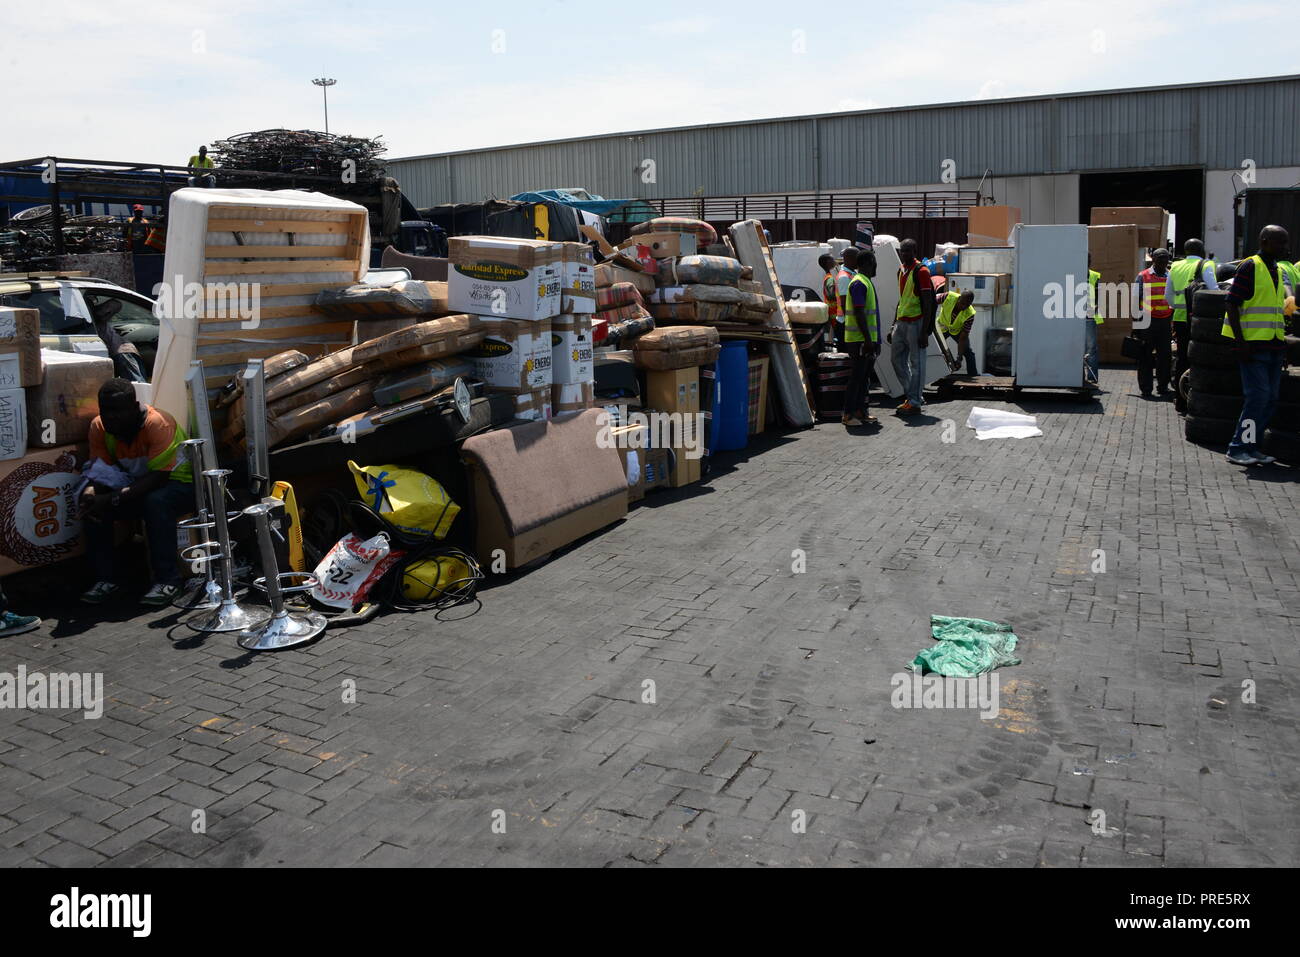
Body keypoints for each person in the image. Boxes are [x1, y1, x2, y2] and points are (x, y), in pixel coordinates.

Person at [79, 380, 194, 606]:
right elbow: (101, 470)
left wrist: (111, 498)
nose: (111, 418)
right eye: (106, 412)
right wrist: (92, 493)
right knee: (93, 509)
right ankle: (107, 579)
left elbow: (160, 477)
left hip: (180, 486)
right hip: (136, 486)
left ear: (134, 407)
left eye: (118, 412)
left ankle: (169, 581)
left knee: (157, 501)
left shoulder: (158, 423)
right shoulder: (99, 427)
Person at [1222, 225, 1290, 466]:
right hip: (1253, 347)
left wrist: (1282, 345)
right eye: (1279, 242)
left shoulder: (1278, 270)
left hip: (1273, 346)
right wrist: (1240, 343)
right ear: (1264, 241)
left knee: (1270, 398)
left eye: (1285, 242)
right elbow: (1231, 303)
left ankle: (1252, 447)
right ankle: (1238, 447)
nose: (1284, 247)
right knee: (1257, 398)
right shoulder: (1250, 266)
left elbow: (1277, 311)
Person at [1168, 238, 1219, 410]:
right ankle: (1196, 398)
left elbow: (1168, 297)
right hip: (1199, 321)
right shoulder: (1206, 265)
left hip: (1180, 319)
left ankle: (1180, 399)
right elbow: (1214, 292)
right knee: (1199, 359)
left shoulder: (1175, 267)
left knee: (1182, 357)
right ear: (1202, 250)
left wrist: (1179, 307)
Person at [887, 238, 935, 414]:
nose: (904, 254)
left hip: (916, 322)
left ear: (915, 252)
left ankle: (914, 401)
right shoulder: (901, 270)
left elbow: (927, 302)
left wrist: (925, 331)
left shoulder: (921, 271)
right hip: (902, 322)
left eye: (908, 251)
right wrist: (893, 325)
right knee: (896, 360)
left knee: (917, 363)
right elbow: (902, 300)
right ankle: (913, 395)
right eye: (902, 251)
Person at [843, 249, 881, 426]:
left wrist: (875, 340)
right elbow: (859, 313)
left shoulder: (866, 282)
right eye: (874, 262)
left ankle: (861, 411)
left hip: (866, 340)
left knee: (864, 378)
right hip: (859, 340)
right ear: (868, 263)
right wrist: (867, 340)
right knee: (857, 378)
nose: (876, 266)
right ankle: (848, 414)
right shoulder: (859, 283)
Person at [1133, 248, 1174, 398]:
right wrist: (1136, 324)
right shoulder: (1143, 276)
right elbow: (1134, 300)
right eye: (1160, 258)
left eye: (1166, 258)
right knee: (1145, 356)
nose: (1164, 261)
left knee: (1165, 356)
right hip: (1147, 321)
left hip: (1165, 321)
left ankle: (1163, 386)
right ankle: (1146, 388)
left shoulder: (1171, 276)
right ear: (1153, 259)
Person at [86, 297, 146, 382]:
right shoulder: (85, 323)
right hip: (120, 352)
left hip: (123, 351)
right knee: (136, 385)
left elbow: (116, 304)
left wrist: (95, 311)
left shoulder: (97, 318)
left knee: (137, 384)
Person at [936, 288, 977, 375]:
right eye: (962, 303)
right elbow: (932, 301)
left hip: (957, 332)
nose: (964, 307)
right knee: (937, 349)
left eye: (967, 305)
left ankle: (973, 376)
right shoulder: (948, 296)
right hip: (942, 328)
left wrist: (959, 357)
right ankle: (941, 374)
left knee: (969, 354)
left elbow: (963, 337)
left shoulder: (970, 314)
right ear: (959, 298)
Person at [834, 247, 858, 350]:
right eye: (857, 258)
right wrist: (851, 323)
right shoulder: (844, 277)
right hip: (845, 322)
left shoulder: (852, 274)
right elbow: (844, 303)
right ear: (849, 259)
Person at [1085, 258, 1103, 385]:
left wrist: (1095, 307)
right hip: (1073, 316)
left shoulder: (1095, 276)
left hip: (1089, 317)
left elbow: (1099, 295)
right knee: (1076, 347)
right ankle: (1076, 376)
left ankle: (1092, 377)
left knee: (1091, 348)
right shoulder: (1071, 274)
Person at [818, 253, 840, 352]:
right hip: (836, 315)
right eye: (832, 259)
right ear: (828, 263)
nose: (835, 261)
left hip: (833, 315)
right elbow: (831, 294)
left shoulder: (828, 276)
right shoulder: (830, 278)